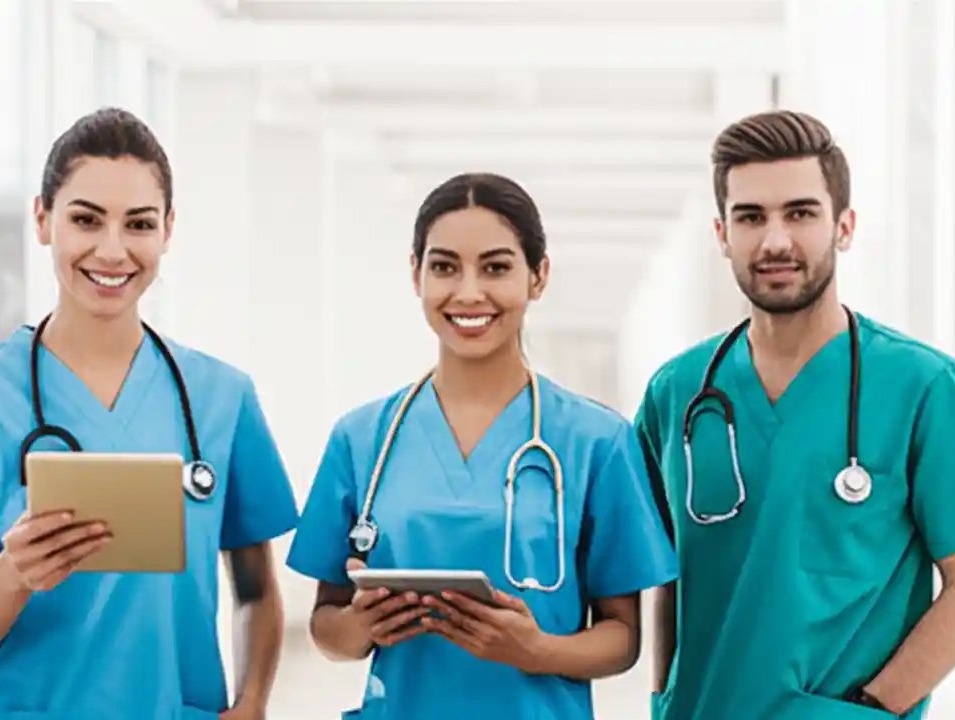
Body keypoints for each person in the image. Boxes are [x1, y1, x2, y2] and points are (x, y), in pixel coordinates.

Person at [0, 107, 298, 720]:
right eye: (86, 219)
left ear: (168, 231)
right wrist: (15, 572)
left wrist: (253, 701)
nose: (112, 249)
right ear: (43, 219)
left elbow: (257, 591)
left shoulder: (221, 398)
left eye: (139, 224)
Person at [638, 110, 955, 719]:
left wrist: (873, 708)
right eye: (751, 217)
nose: (775, 241)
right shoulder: (679, 391)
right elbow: (667, 571)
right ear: (722, 234)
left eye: (800, 213)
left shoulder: (923, 387)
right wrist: (663, 700)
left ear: (843, 226)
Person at [285, 172, 678, 720]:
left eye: (496, 267)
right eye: (444, 267)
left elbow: (622, 638)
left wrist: (537, 651)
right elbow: (327, 627)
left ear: (537, 276)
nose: (469, 293)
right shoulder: (361, 438)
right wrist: (359, 627)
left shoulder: (597, 441)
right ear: (415, 274)